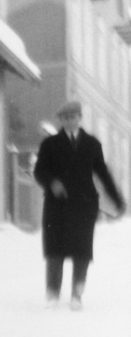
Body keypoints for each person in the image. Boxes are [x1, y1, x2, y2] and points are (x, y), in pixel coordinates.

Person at [32, 101, 125, 309]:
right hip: (57, 205)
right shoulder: (50, 144)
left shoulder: (92, 144)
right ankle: (53, 293)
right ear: (61, 120)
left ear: (79, 118)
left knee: (82, 249)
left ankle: (77, 294)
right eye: (65, 117)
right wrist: (52, 182)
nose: (69, 120)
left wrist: (117, 200)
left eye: (73, 116)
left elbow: (103, 174)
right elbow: (39, 171)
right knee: (54, 249)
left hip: (84, 205)